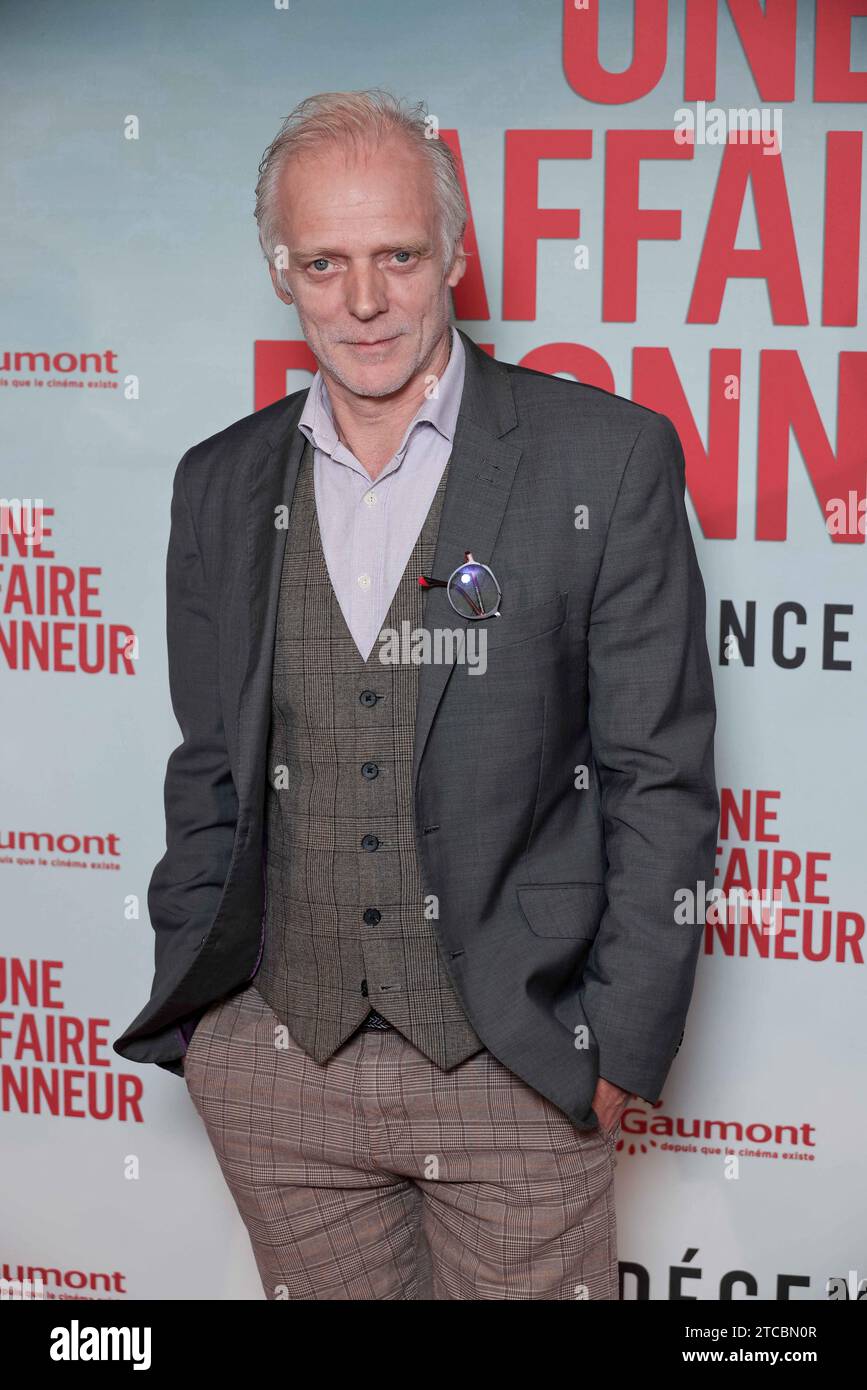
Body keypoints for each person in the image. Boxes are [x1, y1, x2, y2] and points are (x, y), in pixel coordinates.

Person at [114, 88, 719, 1301]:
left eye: (398, 254)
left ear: (455, 251)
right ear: (281, 272)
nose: (367, 299)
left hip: (521, 1065)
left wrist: (615, 1047)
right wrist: (212, 1031)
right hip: (282, 1077)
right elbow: (213, 769)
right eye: (325, 262)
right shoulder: (219, 485)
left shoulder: (606, 458)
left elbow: (661, 780)